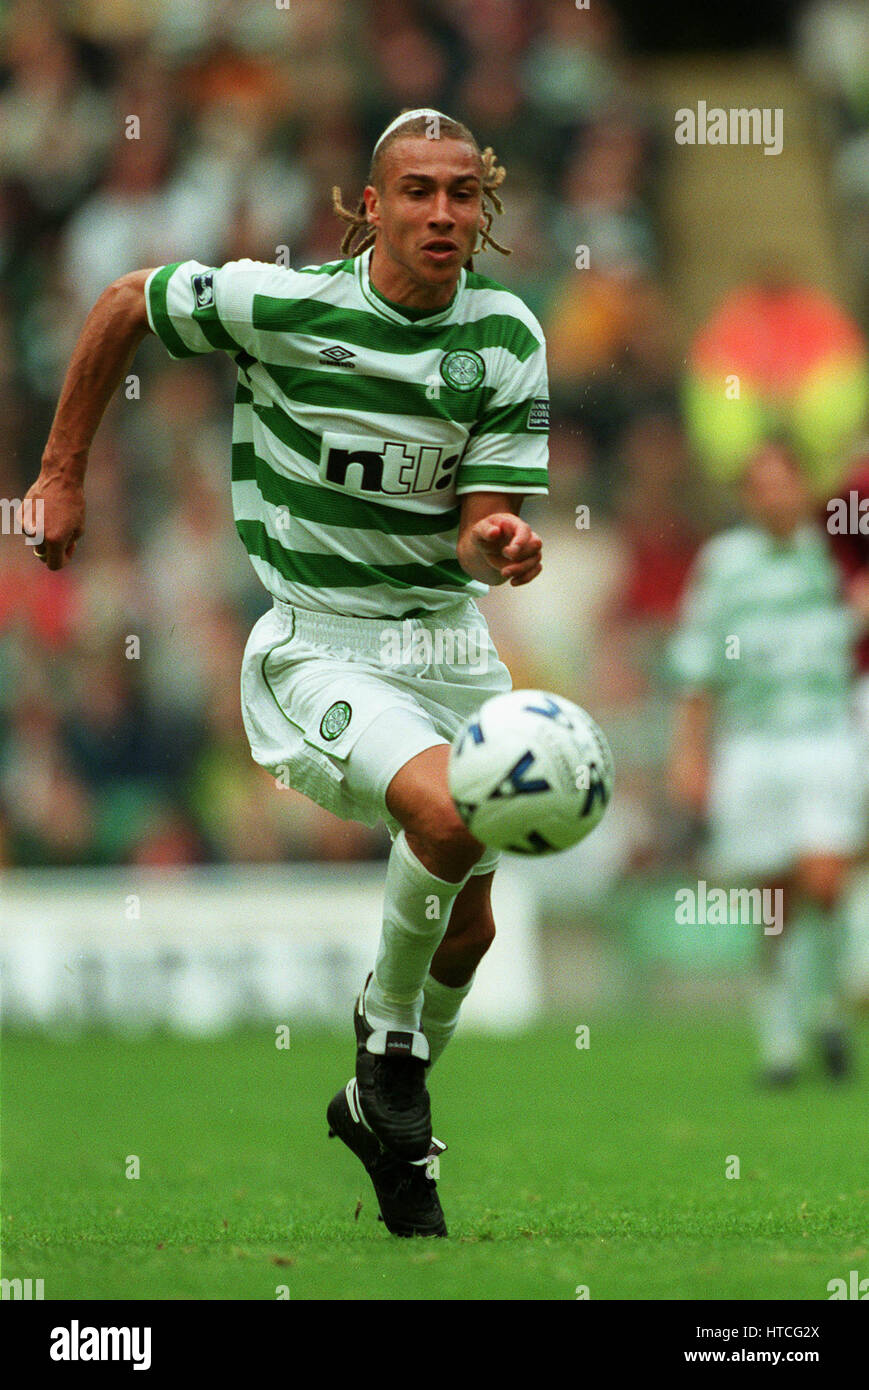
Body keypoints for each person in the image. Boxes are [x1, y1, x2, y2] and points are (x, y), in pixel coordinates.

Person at [23, 108, 550, 1236]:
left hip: (451, 642)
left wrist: (496, 541)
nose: (442, 213)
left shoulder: (504, 335)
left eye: (462, 193)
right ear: (368, 207)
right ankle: (388, 1057)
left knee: (473, 928)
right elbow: (125, 300)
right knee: (447, 823)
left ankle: (379, 1101)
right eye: (416, 191)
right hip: (321, 640)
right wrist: (62, 470)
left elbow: (479, 517)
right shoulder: (286, 304)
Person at [668, 440, 867, 1085]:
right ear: (747, 497)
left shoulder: (836, 553)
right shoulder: (724, 564)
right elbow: (698, 665)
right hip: (751, 744)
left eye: (787, 483)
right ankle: (783, 1040)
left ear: (805, 488)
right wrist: (690, 754)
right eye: (763, 486)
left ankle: (833, 1005)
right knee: (774, 897)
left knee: (828, 879)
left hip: (825, 734)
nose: (776, 497)